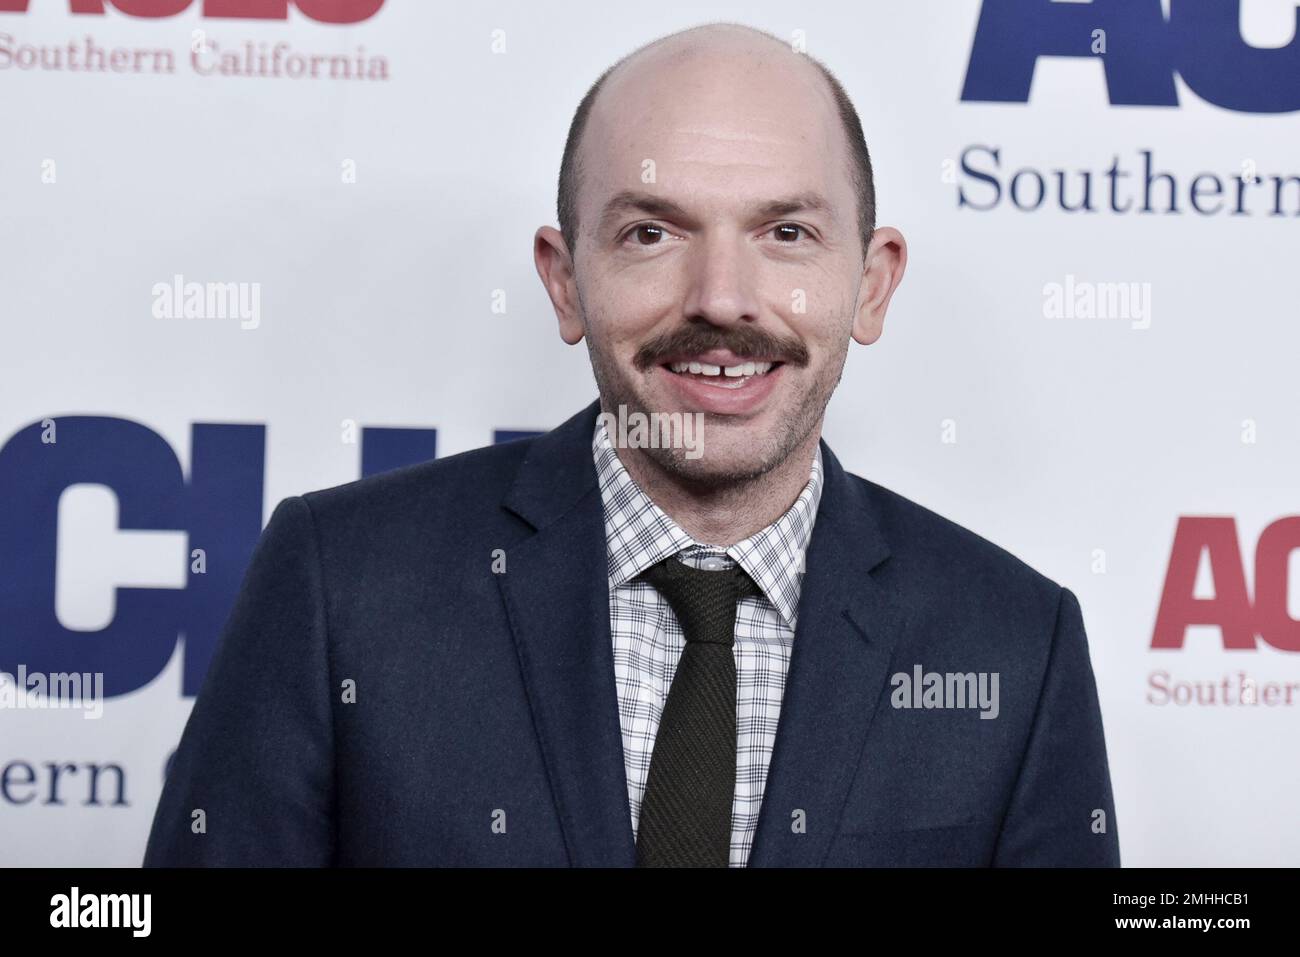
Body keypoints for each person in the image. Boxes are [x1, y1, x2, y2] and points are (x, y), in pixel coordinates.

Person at [144, 22, 1119, 867]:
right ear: (565, 281)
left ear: (871, 284)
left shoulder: (1014, 644)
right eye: (652, 233)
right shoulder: (339, 584)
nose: (721, 298)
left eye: (785, 230)